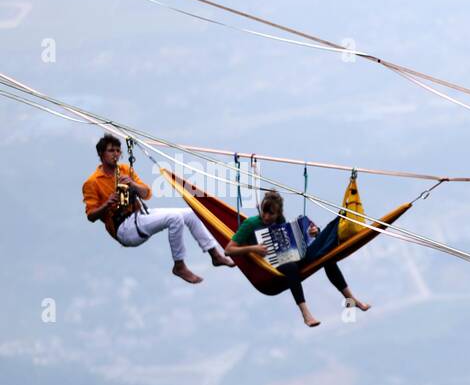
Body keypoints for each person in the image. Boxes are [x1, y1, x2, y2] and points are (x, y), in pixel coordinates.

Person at [82, 134, 234, 283]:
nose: (115, 154)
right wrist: (107, 204)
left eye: (117, 150)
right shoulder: (93, 182)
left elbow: (146, 193)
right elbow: (91, 216)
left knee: (191, 213)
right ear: (101, 154)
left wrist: (133, 184)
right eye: (111, 150)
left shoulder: (124, 170)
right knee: (174, 218)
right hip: (124, 228)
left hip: (139, 216)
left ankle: (215, 255)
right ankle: (179, 265)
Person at [224, 190, 370, 327]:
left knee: (326, 255)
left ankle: (351, 299)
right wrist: (253, 248)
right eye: (264, 212)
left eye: (271, 214)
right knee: (291, 268)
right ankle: (306, 314)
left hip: (291, 258)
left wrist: (313, 232)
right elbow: (228, 250)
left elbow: (296, 243)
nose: (267, 217)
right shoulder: (250, 224)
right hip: (269, 267)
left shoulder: (281, 221)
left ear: (279, 213)